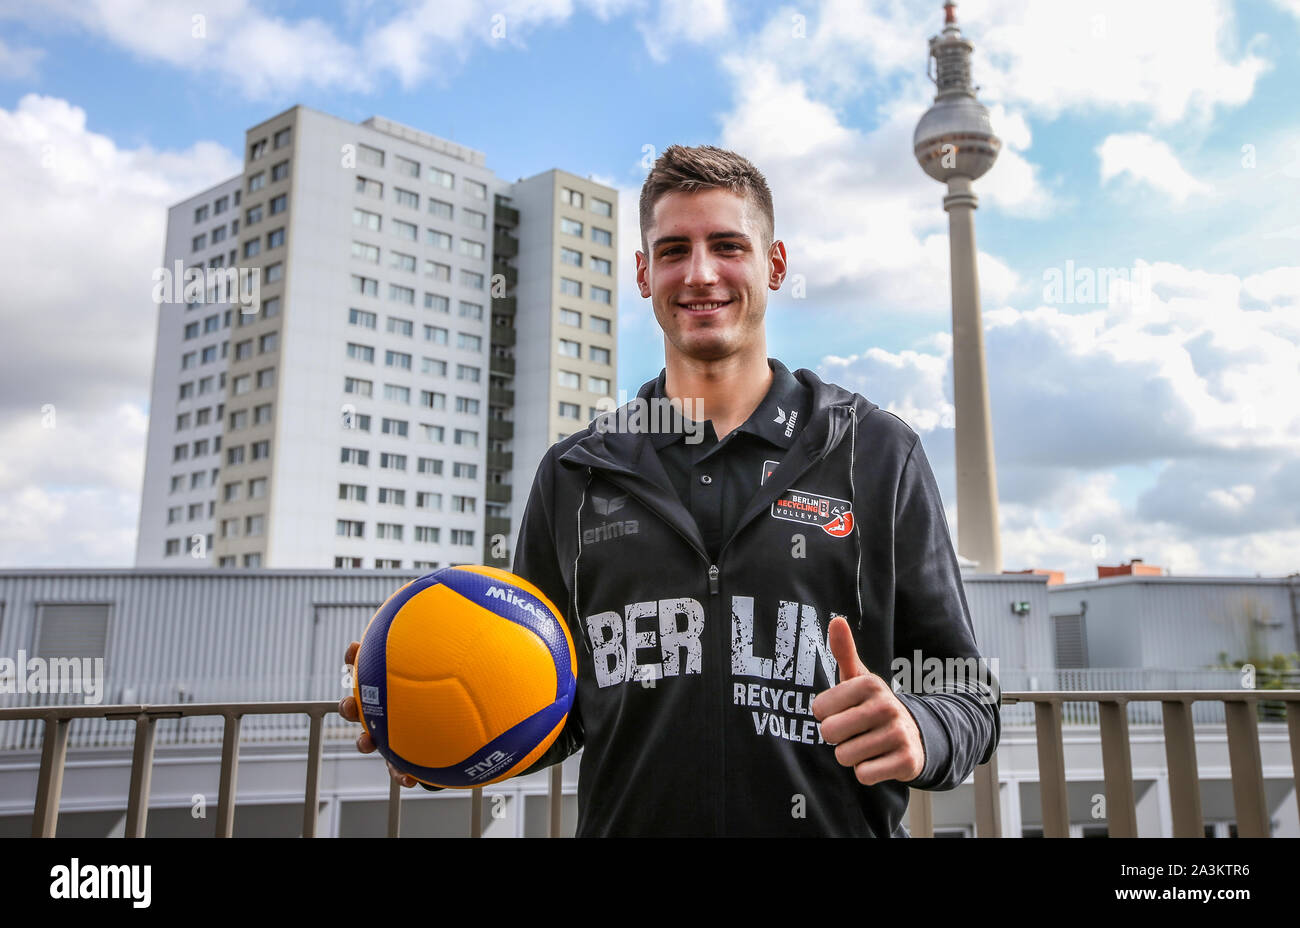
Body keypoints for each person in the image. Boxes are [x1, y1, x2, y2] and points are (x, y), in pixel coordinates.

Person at [340, 144, 1000, 836]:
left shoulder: (874, 453)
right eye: (674, 250)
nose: (701, 273)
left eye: (728, 245)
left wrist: (921, 729)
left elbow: (968, 696)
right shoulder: (576, 474)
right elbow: (547, 703)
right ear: (643, 273)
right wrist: (439, 725)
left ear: (774, 266)